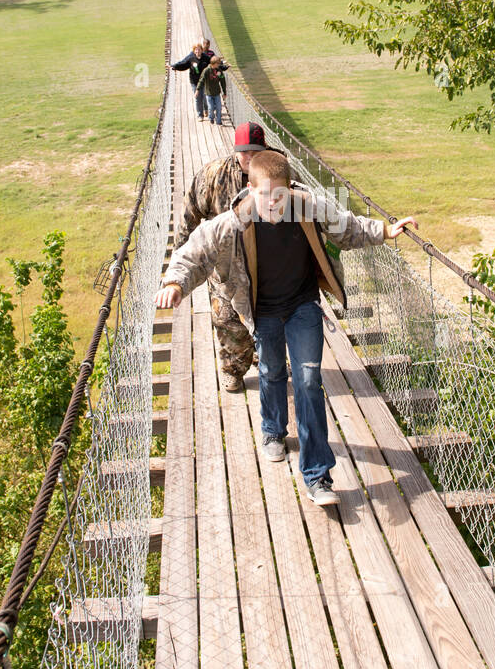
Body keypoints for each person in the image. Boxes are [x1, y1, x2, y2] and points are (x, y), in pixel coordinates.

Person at [156, 149, 418, 506]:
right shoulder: (234, 222)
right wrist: (175, 283)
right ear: (250, 191)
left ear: (290, 191)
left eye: (281, 195)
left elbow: (348, 228)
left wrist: (387, 230)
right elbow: (194, 254)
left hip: (302, 306)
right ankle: (272, 430)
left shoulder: (309, 207)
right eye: (265, 196)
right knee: (272, 370)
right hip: (262, 310)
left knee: (309, 381)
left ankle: (317, 476)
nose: (274, 203)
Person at [174, 121, 274, 393]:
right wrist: (181, 260)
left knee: (271, 317)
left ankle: (264, 357)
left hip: (269, 264)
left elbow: (304, 208)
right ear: (236, 151)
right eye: (245, 152)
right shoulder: (214, 175)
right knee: (229, 322)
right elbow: (190, 213)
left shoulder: (278, 171)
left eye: (256, 151)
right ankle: (233, 369)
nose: (250, 157)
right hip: (226, 267)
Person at [170, 41, 212, 118]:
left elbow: (213, 63)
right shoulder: (191, 58)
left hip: (204, 81)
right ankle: (200, 115)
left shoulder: (206, 58)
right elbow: (183, 64)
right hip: (194, 81)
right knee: (198, 97)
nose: (197, 51)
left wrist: (222, 64)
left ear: (202, 50)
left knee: (205, 97)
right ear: (194, 51)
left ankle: (206, 109)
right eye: (196, 50)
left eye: (199, 49)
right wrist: (174, 66)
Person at [195, 55, 227, 126]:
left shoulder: (219, 71)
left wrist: (224, 92)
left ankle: (218, 121)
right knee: (211, 108)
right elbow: (201, 80)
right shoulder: (206, 71)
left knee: (219, 107)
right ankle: (211, 118)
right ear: (214, 63)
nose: (219, 65)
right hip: (209, 93)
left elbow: (223, 81)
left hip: (217, 93)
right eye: (218, 63)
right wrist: (197, 89)